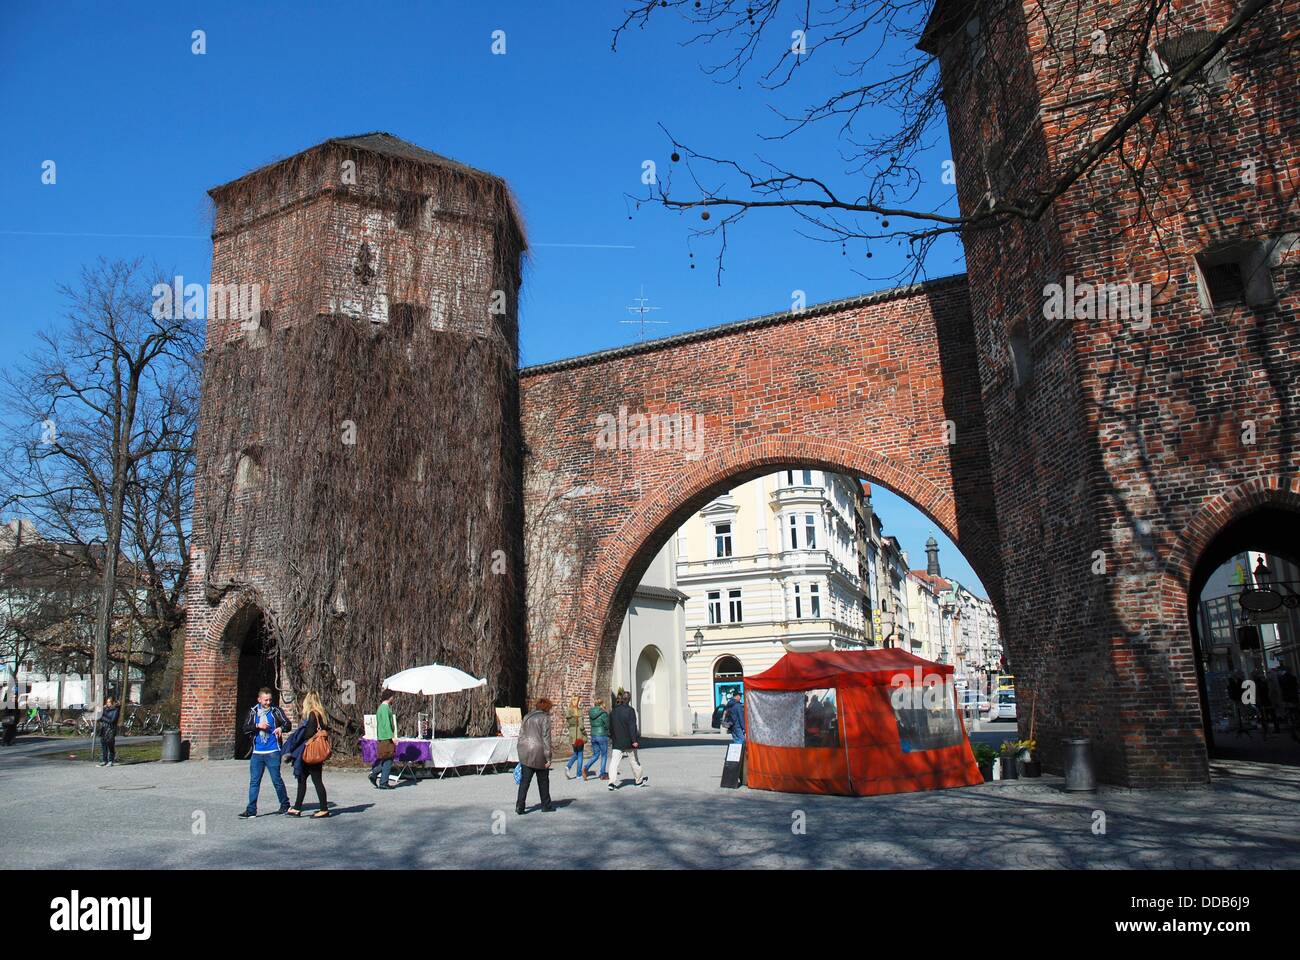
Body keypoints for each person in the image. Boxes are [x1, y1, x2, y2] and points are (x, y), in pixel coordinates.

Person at [239, 687, 292, 819]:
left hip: (273, 751)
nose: (268, 702)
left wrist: (281, 728)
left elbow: (288, 724)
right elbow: (245, 728)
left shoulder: (276, 711)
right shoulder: (253, 712)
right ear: (259, 699)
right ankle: (251, 810)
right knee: (254, 781)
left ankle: (285, 804)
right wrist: (258, 726)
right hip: (257, 752)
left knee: (276, 780)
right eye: (265, 700)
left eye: (270, 700)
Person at [282, 692, 330, 818]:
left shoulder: (313, 715)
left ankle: (322, 808)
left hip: (310, 753)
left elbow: (308, 734)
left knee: (309, 781)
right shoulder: (322, 715)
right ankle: (297, 807)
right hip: (317, 753)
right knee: (305, 780)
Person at [516, 697, 555, 814]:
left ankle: (520, 806)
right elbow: (546, 738)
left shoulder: (527, 717)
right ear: (547, 708)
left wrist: (520, 752)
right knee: (543, 780)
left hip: (525, 751)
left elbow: (521, 735)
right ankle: (546, 805)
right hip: (539, 752)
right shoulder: (545, 718)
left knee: (524, 781)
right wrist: (548, 757)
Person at [608, 691, 646, 790]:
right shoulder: (630, 711)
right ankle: (639, 780)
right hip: (628, 740)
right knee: (634, 761)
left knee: (614, 762)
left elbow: (610, 726)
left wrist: (612, 736)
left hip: (617, 740)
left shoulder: (614, 711)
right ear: (629, 699)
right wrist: (634, 740)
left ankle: (611, 782)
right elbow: (632, 726)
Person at [369, 689, 397, 790]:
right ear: (389, 697)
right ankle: (383, 782)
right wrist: (392, 737)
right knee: (388, 759)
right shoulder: (384, 708)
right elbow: (386, 724)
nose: (393, 698)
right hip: (386, 737)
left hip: (383, 737)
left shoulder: (382, 707)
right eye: (393, 696)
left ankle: (374, 775)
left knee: (386, 759)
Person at [584, 697, 610, 781]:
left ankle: (585, 768)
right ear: (602, 703)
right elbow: (607, 725)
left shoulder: (591, 712)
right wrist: (608, 732)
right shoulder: (603, 713)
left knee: (595, 755)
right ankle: (602, 774)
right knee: (604, 755)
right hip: (602, 735)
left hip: (593, 735)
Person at [564, 695, 586, 780]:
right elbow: (581, 726)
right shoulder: (578, 712)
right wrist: (585, 734)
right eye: (579, 700)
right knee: (580, 754)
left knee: (576, 753)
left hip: (572, 735)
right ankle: (578, 774)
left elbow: (568, 725)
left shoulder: (569, 711)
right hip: (579, 735)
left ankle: (568, 766)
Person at [96, 697, 120, 767]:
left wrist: (102, 717)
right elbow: (99, 718)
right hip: (103, 729)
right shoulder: (105, 709)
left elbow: (112, 720)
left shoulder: (116, 710)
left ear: (112, 703)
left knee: (110, 746)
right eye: (107, 702)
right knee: (104, 746)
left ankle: (111, 760)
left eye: (109, 702)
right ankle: (104, 760)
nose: (108, 703)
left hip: (111, 729)